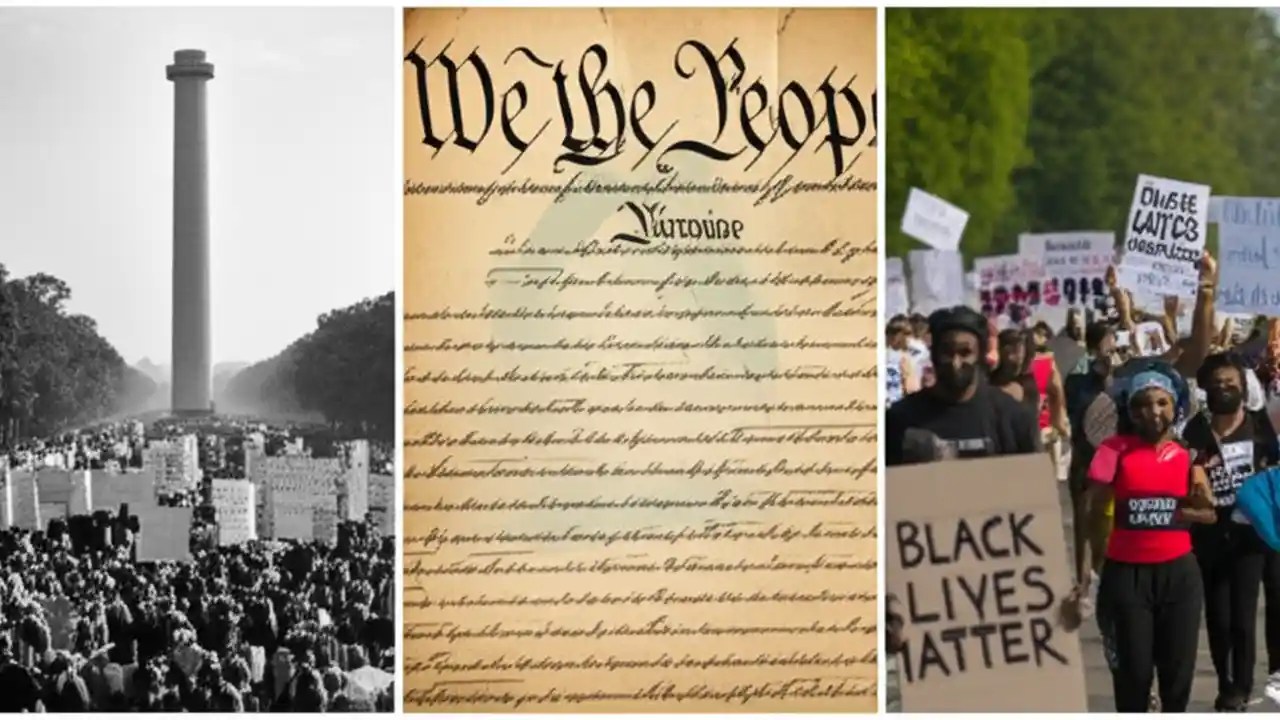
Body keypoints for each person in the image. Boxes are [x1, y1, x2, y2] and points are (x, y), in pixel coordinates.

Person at [1076, 369, 1216, 712]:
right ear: (1130, 410)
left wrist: (1188, 510)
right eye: (1142, 405)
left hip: (1179, 576)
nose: (1152, 412)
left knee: (1177, 676)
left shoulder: (1188, 455)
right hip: (1127, 576)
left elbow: (1209, 513)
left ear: (1175, 406)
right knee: (1133, 677)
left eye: (1161, 403)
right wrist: (1084, 568)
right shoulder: (1114, 450)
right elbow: (1088, 510)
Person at [1182, 352, 1280, 710]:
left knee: (1243, 615)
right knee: (1218, 617)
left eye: (1231, 383)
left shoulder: (1260, 426)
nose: (1224, 389)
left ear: (1243, 387)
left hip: (1251, 537)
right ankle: (1224, 680)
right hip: (1207, 534)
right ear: (1205, 388)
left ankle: (1240, 687)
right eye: (1217, 384)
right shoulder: (1193, 431)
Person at [885, 306, 1041, 465]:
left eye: (965, 353)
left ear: (980, 355)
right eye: (947, 352)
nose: (955, 363)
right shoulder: (899, 421)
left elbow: (1033, 483)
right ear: (934, 355)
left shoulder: (1014, 419)